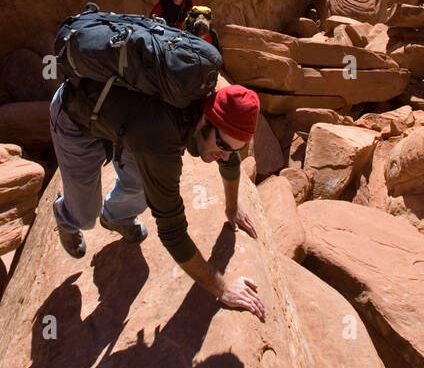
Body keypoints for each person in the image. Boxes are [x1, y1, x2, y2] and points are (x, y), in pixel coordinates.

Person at [49, 78, 265, 319]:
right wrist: (221, 288)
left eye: (232, 149)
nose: (224, 156)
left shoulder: (208, 106)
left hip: (128, 122)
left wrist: (232, 207)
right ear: (206, 119)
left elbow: (230, 160)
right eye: (222, 145)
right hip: (76, 116)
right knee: (84, 215)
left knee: (140, 187)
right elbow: (172, 231)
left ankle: (115, 216)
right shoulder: (161, 142)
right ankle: (65, 217)